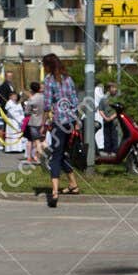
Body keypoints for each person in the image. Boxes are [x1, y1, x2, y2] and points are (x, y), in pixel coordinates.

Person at [41, 53, 81, 207]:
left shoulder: (49, 81)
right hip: (70, 122)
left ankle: (54, 192)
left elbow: (47, 105)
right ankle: (73, 185)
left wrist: (43, 124)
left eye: (44, 65)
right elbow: (75, 101)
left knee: (55, 156)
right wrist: (76, 121)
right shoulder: (68, 79)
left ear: (49, 66)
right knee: (62, 153)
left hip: (58, 122)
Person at [23, 81, 45, 164]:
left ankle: (42, 158)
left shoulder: (32, 99)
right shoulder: (44, 97)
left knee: (37, 141)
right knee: (43, 140)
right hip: (43, 120)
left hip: (34, 122)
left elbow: (27, 111)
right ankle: (45, 153)